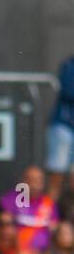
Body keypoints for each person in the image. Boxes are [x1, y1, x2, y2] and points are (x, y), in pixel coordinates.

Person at [47, 53, 74, 200]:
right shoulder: (69, 65)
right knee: (56, 174)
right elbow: (69, 91)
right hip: (63, 126)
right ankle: (48, 215)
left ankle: (68, 218)